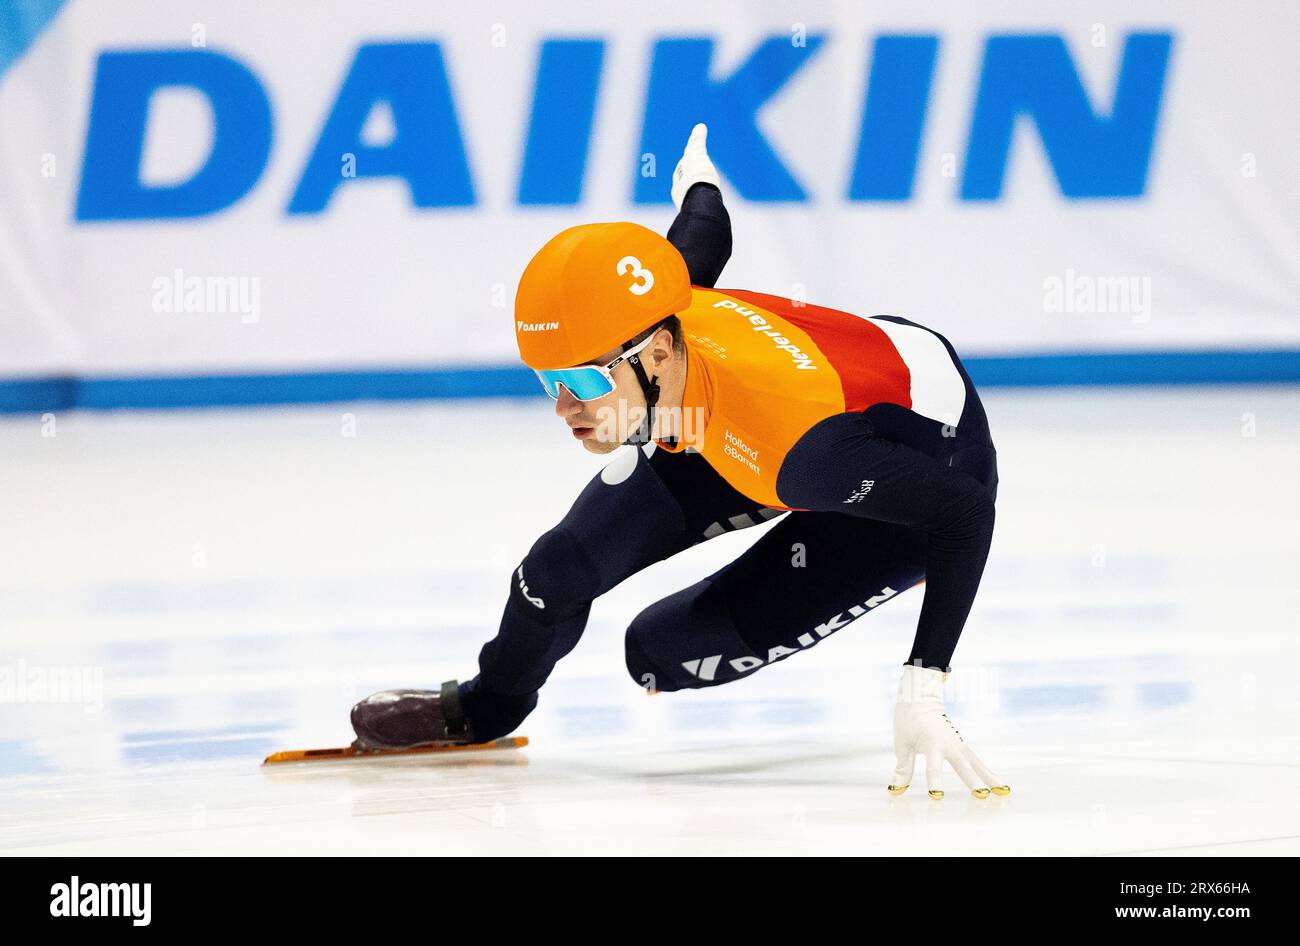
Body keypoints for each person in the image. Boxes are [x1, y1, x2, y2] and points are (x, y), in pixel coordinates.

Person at [351, 125, 1009, 799]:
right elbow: (703, 228)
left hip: (908, 473)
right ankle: (488, 706)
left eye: (583, 384)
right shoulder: (666, 308)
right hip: (744, 417)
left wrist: (924, 685)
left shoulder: (803, 451)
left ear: (658, 355)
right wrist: (700, 181)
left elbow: (965, 512)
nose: (565, 409)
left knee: (658, 655)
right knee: (555, 572)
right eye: (551, 384)